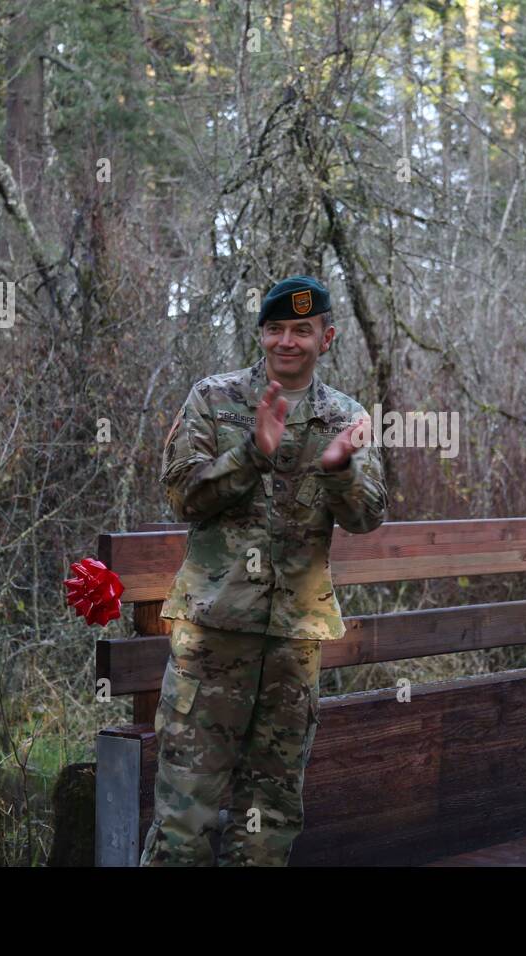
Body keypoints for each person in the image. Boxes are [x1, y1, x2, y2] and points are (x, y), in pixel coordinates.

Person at [140, 275, 386, 866]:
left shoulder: (345, 416)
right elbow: (180, 496)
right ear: (260, 334)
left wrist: (339, 470)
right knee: (185, 813)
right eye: (276, 328)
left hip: (293, 642)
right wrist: (250, 453)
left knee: (270, 813)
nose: (287, 341)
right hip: (213, 638)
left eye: (302, 330)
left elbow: (368, 515)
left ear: (327, 337)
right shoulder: (214, 398)